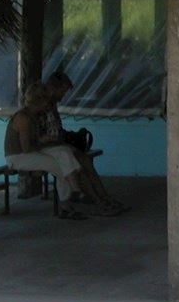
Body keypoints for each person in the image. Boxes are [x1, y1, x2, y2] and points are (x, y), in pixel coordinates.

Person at [5, 83, 117, 218]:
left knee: (64, 152)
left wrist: (47, 142)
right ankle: (67, 204)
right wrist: (43, 141)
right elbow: (26, 148)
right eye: (46, 101)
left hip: (34, 150)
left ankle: (75, 192)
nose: (49, 105)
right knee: (59, 166)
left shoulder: (35, 115)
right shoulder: (23, 118)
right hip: (18, 157)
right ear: (39, 101)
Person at [45, 70, 125, 214]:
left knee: (86, 161)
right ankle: (98, 202)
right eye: (62, 91)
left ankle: (104, 198)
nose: (63, 96)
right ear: (53, 89)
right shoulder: (44, 106)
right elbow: (46, 135)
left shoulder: (52, 105)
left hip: (59, 144)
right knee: (78, 167)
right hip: (51, 147)